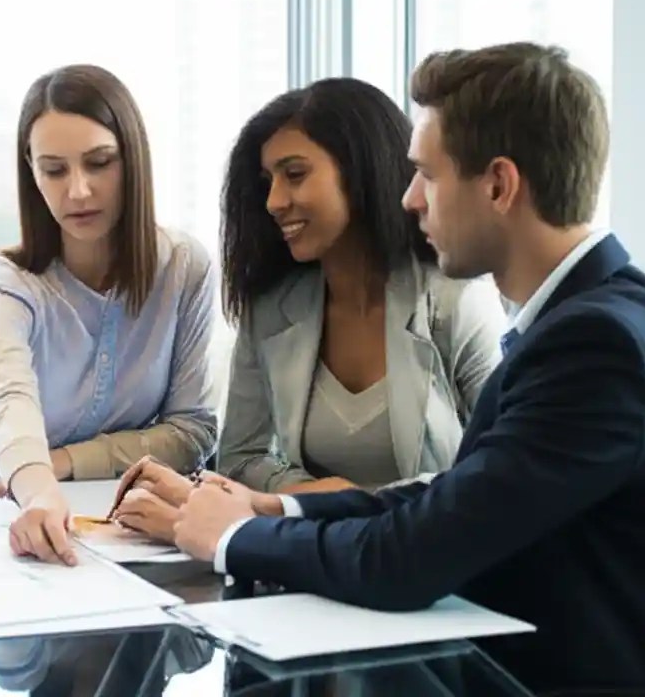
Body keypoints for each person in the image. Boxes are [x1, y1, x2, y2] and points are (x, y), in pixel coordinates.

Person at [173, 43, 645, 693]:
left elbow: (413, 557)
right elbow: (457, 495)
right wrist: (274, 506)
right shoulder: (581, 319)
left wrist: (239, 538)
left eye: (426, 174)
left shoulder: (594, 343)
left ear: (499, 185)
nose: (409, 199)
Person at [112, 78, 506, 543]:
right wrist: (313, 494)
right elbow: (240, 456)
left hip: (428, 560)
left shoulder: (456, 299)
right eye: (267, 182)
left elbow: (497, 475)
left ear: (360, 171)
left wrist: (338, 497)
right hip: (311, 558)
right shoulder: (272, 309)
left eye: (294, 174)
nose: (274, 201)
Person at [0, 64, 218, 566]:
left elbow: (191, 432)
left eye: (99, 163)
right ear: (32, 172)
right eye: (55, 169)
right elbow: (10, 405)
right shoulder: (7, 282)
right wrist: (41, 490)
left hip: (113, 498)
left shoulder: (184, 267)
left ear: (132, 161)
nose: (79, 191)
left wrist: (63, 464)